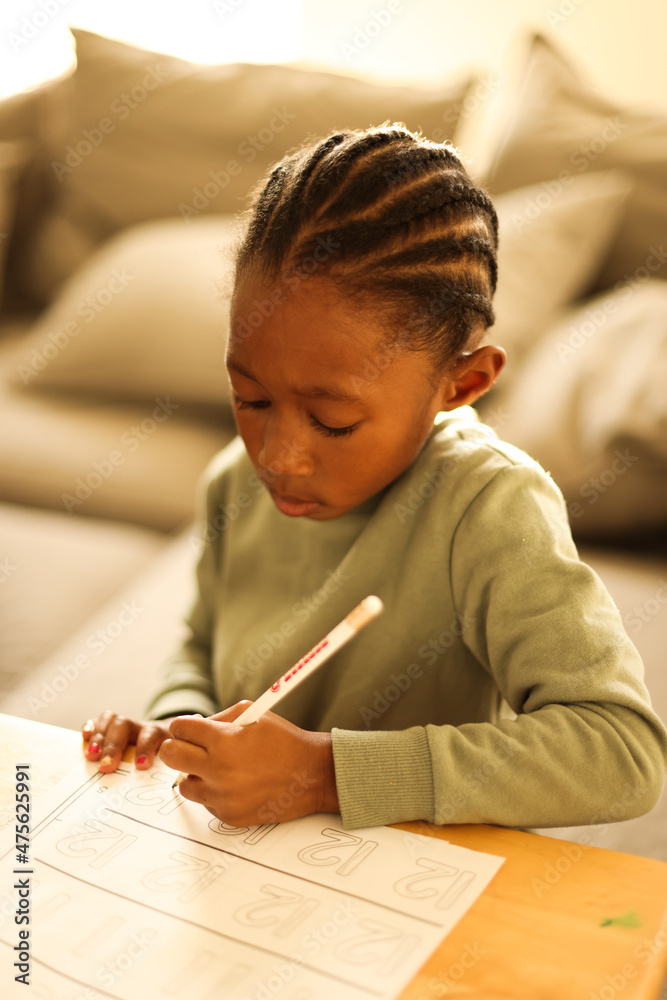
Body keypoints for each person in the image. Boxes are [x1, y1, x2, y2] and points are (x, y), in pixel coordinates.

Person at [81, 124, 667, 831]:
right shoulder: (233, 483)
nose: (277, 456)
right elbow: (201, 646)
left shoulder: (489, 505)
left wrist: (321, 773)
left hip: (407, 894)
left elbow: (619, 757)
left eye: (331, 422)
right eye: (251, 398)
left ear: (462, 383)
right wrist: (181, 731)